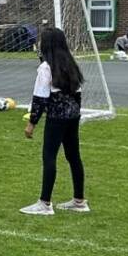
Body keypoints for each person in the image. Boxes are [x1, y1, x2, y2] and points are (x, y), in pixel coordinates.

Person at [20, 27, 88, 215]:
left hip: (57, 116)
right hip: (72, 115)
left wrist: (31, 124)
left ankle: (45, 203)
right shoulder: (71, 63)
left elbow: (40, 98)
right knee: (74, 156)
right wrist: (75, 114)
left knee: (49, 157)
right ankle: (79, 200)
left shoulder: (46, 67)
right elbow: (78, 94)